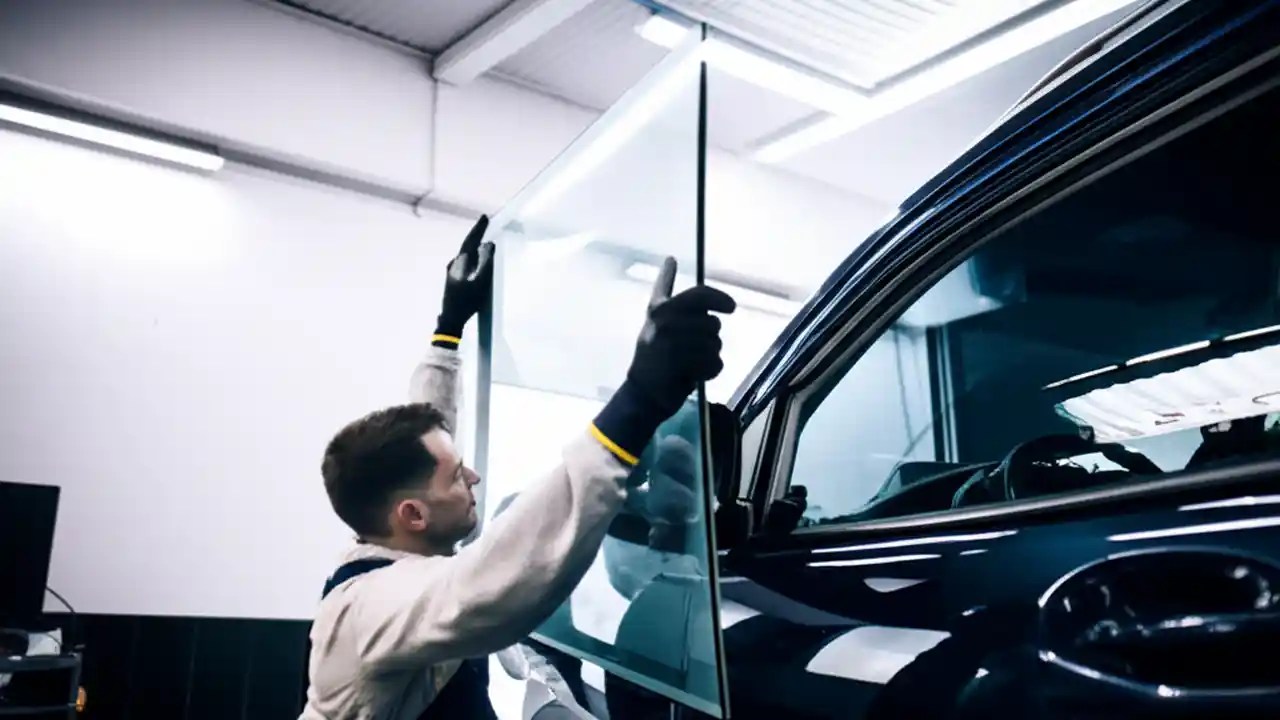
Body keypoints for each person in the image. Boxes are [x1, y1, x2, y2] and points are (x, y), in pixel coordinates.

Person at [300, 215, 735, 720]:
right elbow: (492, 582)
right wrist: (636, 403)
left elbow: (429, 438)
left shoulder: (396, 545)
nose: (474, 477)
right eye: (457, 475)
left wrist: (449, 326)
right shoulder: (375, 607)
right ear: (413, 515)